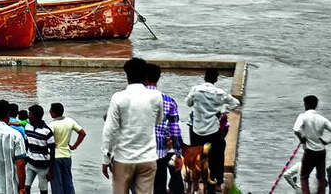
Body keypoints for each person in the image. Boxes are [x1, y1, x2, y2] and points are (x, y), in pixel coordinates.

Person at [101, 57, 163, 194]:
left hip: (123, 158)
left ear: (127, 75)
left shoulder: (118, 97)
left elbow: (109, 130)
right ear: (145, 76)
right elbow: (158, 121)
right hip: (148, 158)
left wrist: (106, 158)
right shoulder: (156, 97)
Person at [185, 69, 240, 192]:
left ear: (205, 78)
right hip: (212, 130)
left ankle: (197, 180)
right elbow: (236, 103)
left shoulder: (195, 90)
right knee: (217, 155)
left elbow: (188, 103)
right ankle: (217, 182)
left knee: (197, 156)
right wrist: (222, 111)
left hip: (197, 130)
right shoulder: (219, 93)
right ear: (216, 79)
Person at [143, 63, 182, 194]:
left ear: (144, 78)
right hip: (160, 153)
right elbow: (175, 130)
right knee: (159, 186)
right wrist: (178, 153)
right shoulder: (169, 101)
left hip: (139, 152)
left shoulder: (133, 98)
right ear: (158, 78)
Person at [293, 95, 331, 194]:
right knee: (321, 177)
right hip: (321, 151)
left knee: (304, 176)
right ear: (316, 105)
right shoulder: (322, 119)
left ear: (306, 105)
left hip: (309, 151)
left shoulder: (303, 116)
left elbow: (296, 129)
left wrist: (302, 139)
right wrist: (328, 141)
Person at [48, 102, 85, 194]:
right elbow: (82, 133)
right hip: (67, 155)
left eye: (50, 110)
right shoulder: (70, 121)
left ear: (53, 112)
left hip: (55, 157)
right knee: (68, 181)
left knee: (57, 184)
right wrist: (74, 146)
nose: (49, 112)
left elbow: (47, 139)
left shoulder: (51, 125)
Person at [23, 105, 55, 194]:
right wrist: (25, 157)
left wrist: (51, 170)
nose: (28, 116)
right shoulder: (27, 127)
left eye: (30, 114)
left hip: (43, 166)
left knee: (43, 190)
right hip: (30, 163)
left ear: (36, 116)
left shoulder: (47, 131)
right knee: (26, 187)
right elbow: (26, 143)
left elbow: (52, 151)